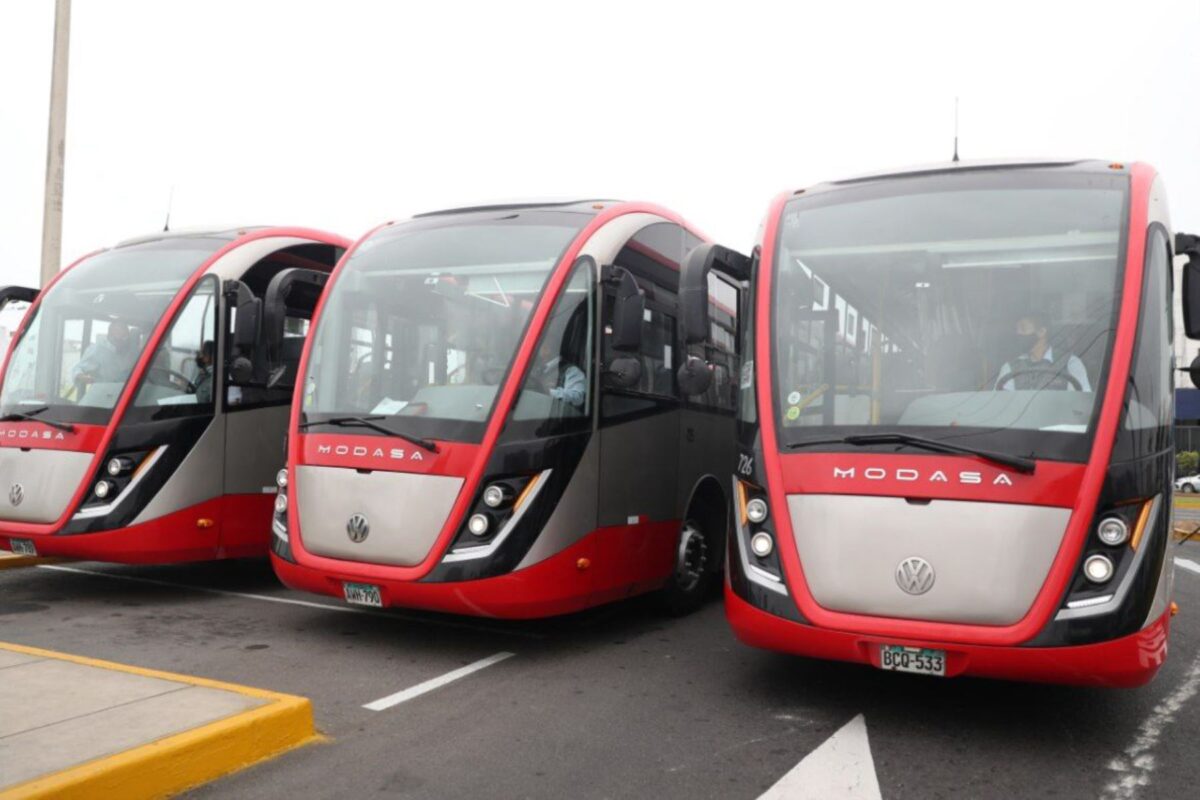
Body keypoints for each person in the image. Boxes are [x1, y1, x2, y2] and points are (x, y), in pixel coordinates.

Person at [996, 312, 1090, 392]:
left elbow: (1080, 402)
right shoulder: (1010, 367)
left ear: (1041, 332)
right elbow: (1000, 402)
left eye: (1023, 328)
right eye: (1017, 329)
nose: (1018, 333)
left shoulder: (1070, 364)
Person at [72, 319, 138, 391]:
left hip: (128, 396)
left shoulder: (133, 354)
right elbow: (79, 368)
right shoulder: (98, 350)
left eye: (123, 335)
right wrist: (82, 376)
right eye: (117, 332)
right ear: (109, 334)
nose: (120, 337)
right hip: (103, 396)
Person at [537, 338, 586, 409]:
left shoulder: (571, 370)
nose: (537, 351)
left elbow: (578, 398)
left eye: (540, 347)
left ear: (547, 349)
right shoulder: (537, 369)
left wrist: (549, 392)